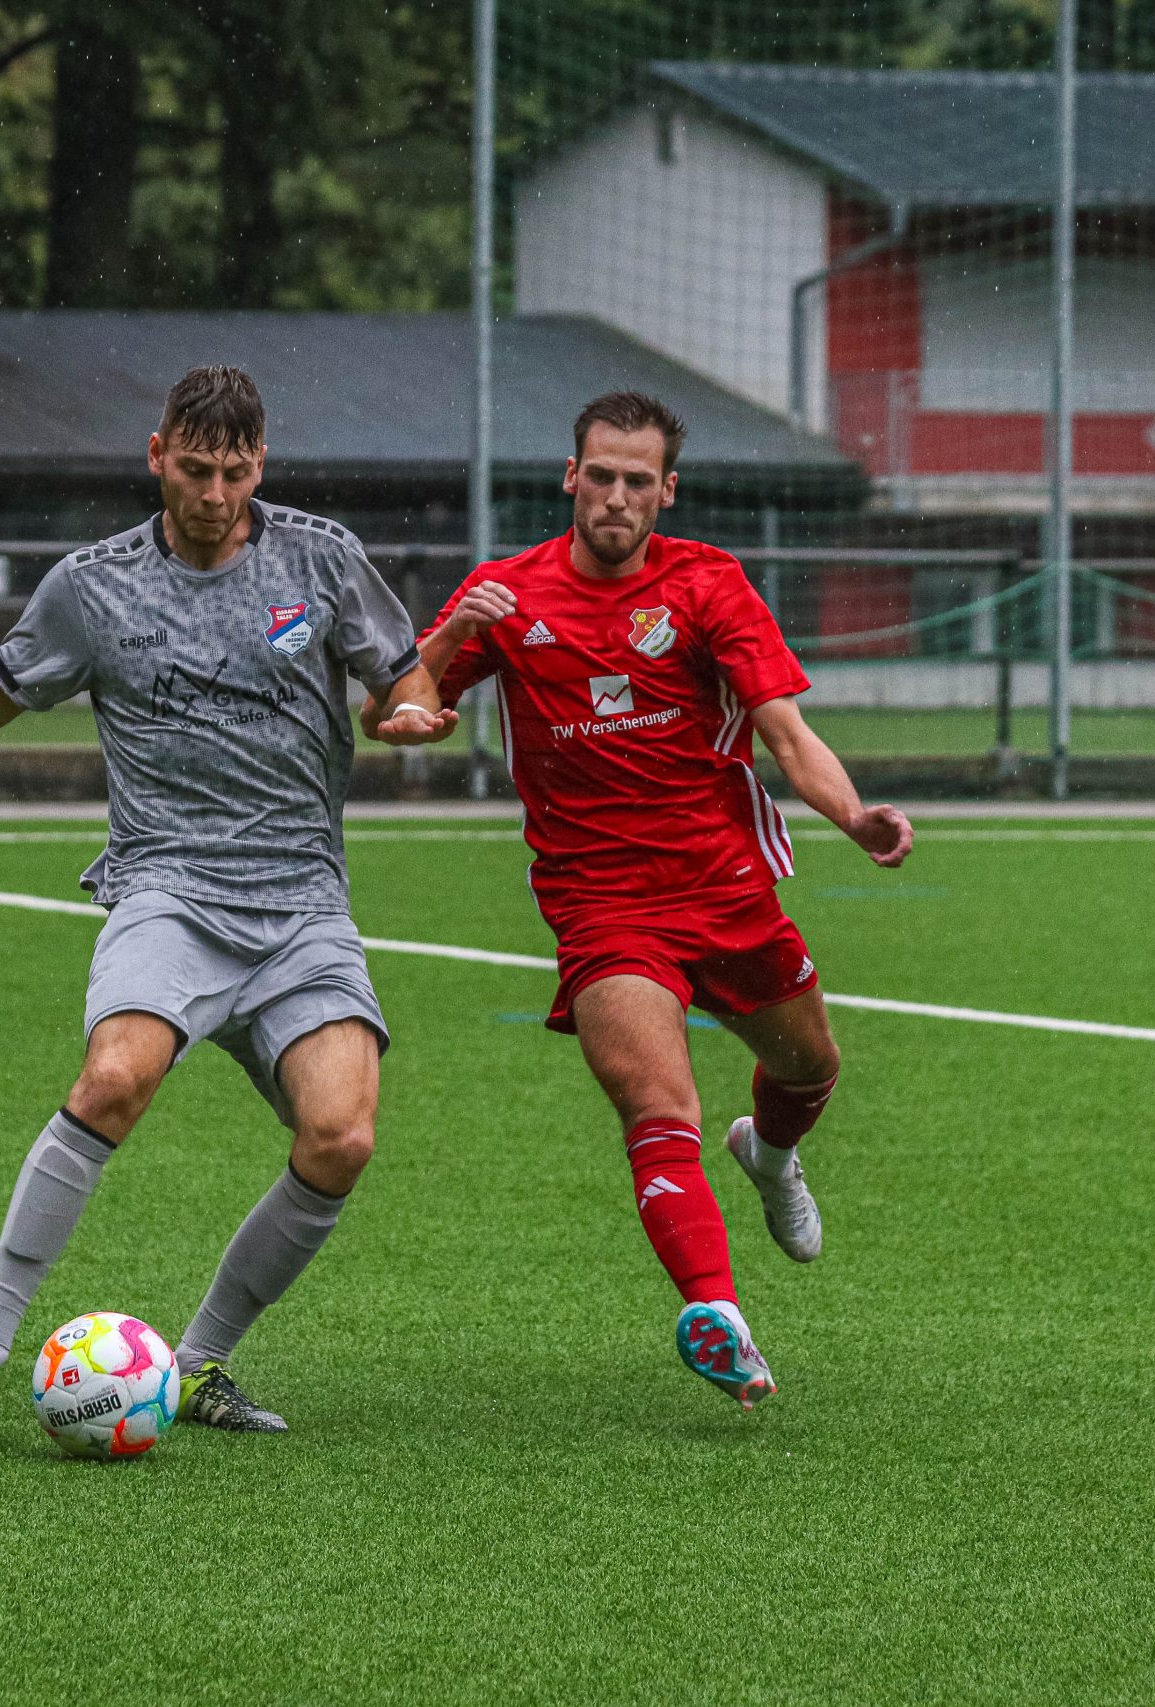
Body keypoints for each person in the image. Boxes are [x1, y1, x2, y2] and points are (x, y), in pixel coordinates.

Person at [0, 365, 454, 1433]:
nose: (213, 494)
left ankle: (197, 1366)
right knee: (114, 1076)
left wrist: (408, 714)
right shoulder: (92, 587)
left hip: (301, 907)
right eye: (193, 470)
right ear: (156, 457)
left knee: (341, 1138)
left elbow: (406, 674)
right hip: (169, 890)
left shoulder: (319, 559)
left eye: (234, 473)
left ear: (260, 466)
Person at [412, 390, 912, 1411]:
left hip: (722, 883)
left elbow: (784, 733)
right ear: (570, 476)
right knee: (656, 1101)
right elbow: (396, 707)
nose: (616, 496)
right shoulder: (503, 593)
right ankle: (716, 1313)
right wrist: (442, 652)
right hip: (598, 901)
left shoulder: (705, 583)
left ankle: (770, 1156)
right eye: (600, 475)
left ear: (664, 491)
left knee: (810, 1064)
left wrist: (854, 818)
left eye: (638, 481)